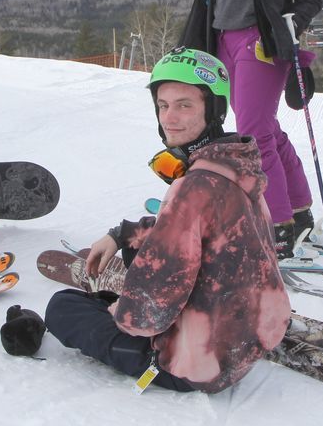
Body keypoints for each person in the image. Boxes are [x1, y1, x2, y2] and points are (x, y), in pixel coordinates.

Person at [45, 48, 291, 393]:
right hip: (246, 342)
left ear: (213, 109)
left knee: (63, 307)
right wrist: (122, 235)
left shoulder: (193, 187)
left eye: (184, 105)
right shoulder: (238, 168)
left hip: (197, 365)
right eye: (163, 105)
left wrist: (114, 308)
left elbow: (146, 316)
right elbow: (184, 226)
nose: (170, 118)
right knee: (130, 269)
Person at [179, 0, 323, 259]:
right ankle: (299, 209)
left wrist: (293, 21)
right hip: (222, 39)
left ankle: (276, 226)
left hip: (261, 42)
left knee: (253, 135)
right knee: (267, 130)